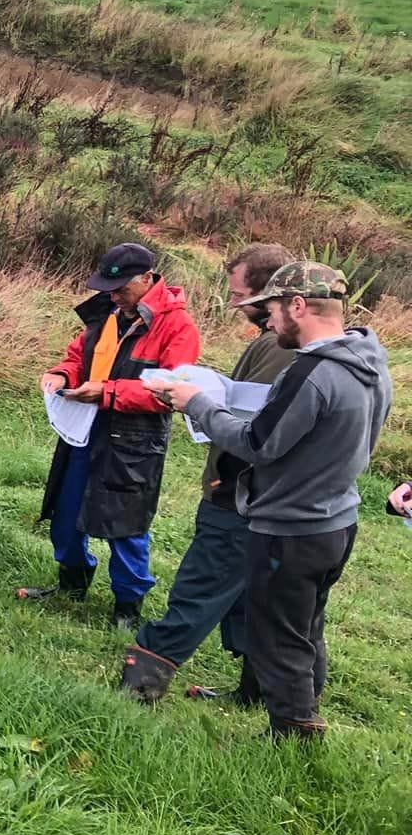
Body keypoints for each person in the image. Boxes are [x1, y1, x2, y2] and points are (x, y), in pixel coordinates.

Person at [158, 262, 394, 740]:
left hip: (291, 527)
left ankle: (292, 735)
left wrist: (196, 404)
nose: (267, 322)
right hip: (337, 520)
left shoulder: (310, 373)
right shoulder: (371, 363)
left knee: (275, 635)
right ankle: (302, 710)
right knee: (305, 625)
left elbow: (257, 443)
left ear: (298, 306)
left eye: (271, 310)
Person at [118, 244, 294, 703]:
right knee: (260, 596)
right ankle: (260, 693)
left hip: (239, 492)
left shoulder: (279, 346)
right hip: (267, 498)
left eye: (240, 295)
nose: (235, 305)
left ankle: (141, 683)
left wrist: (197, 403)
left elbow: (255, 429)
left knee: (203, 584)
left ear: (269, 293)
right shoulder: (278, 343)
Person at [20, 242, 200, 629]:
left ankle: (127, 607)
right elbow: (77, 355)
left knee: (126, 522)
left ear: (148, 279)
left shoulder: (179, 327)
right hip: (83, 428)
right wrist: (62, 374)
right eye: (107, 289)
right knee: (66, 512)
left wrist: (109, 392)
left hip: (134, 440)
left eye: (120, 289)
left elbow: (172, 393)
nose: (112, 296)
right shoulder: (108, 313)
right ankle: (72, 582)